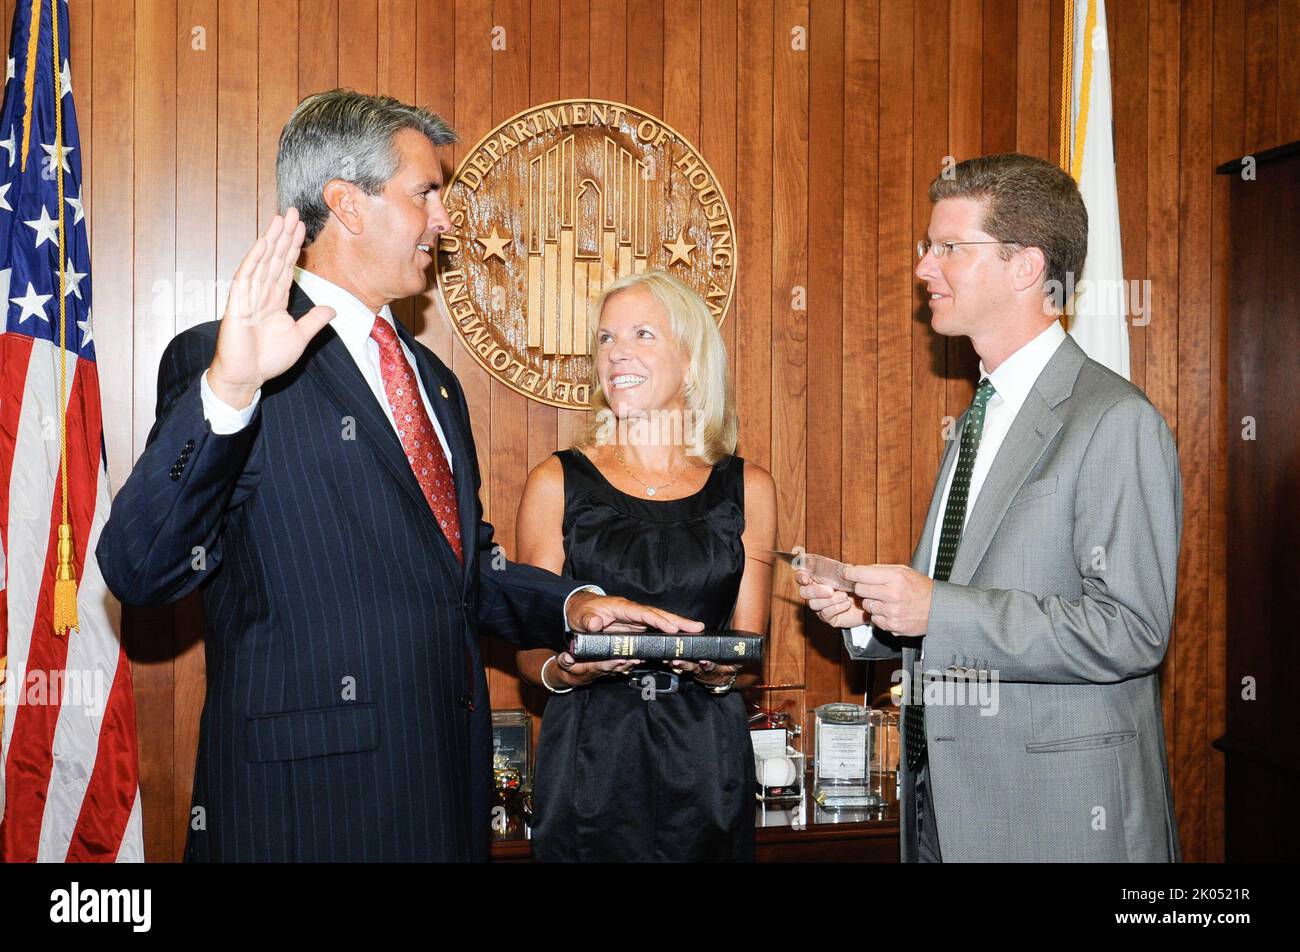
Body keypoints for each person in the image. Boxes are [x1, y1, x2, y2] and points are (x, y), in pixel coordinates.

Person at [96, 90, 700, 862]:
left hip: (443, 799)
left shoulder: (434, 382)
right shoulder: (223, 360)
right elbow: (142, 568)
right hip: (303, 816)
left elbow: (463, 574)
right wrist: (229, 394)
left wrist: (577, 607)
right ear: (347, 204)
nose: (443, 219)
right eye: (424, 193)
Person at [798, 153, 1182, 862]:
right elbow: (957, 603)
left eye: (950, 248)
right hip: (945, 811)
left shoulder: (1112, 420)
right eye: (927, 247)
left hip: (1057, 822)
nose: (924, 268)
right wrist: (871, 616)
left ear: (1025, 266)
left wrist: (936, 610)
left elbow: (1132, 630)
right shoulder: (981, 415)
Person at [514, 270, 777, 862]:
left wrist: (723, 672)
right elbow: (529, 647)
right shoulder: (556, 480)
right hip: (590, 757)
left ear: (691, 360)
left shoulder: (748, 487)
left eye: (641, 334)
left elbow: (750, 647)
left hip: (706, 761)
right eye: (605, 339)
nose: (617, 354)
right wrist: (564, 668)